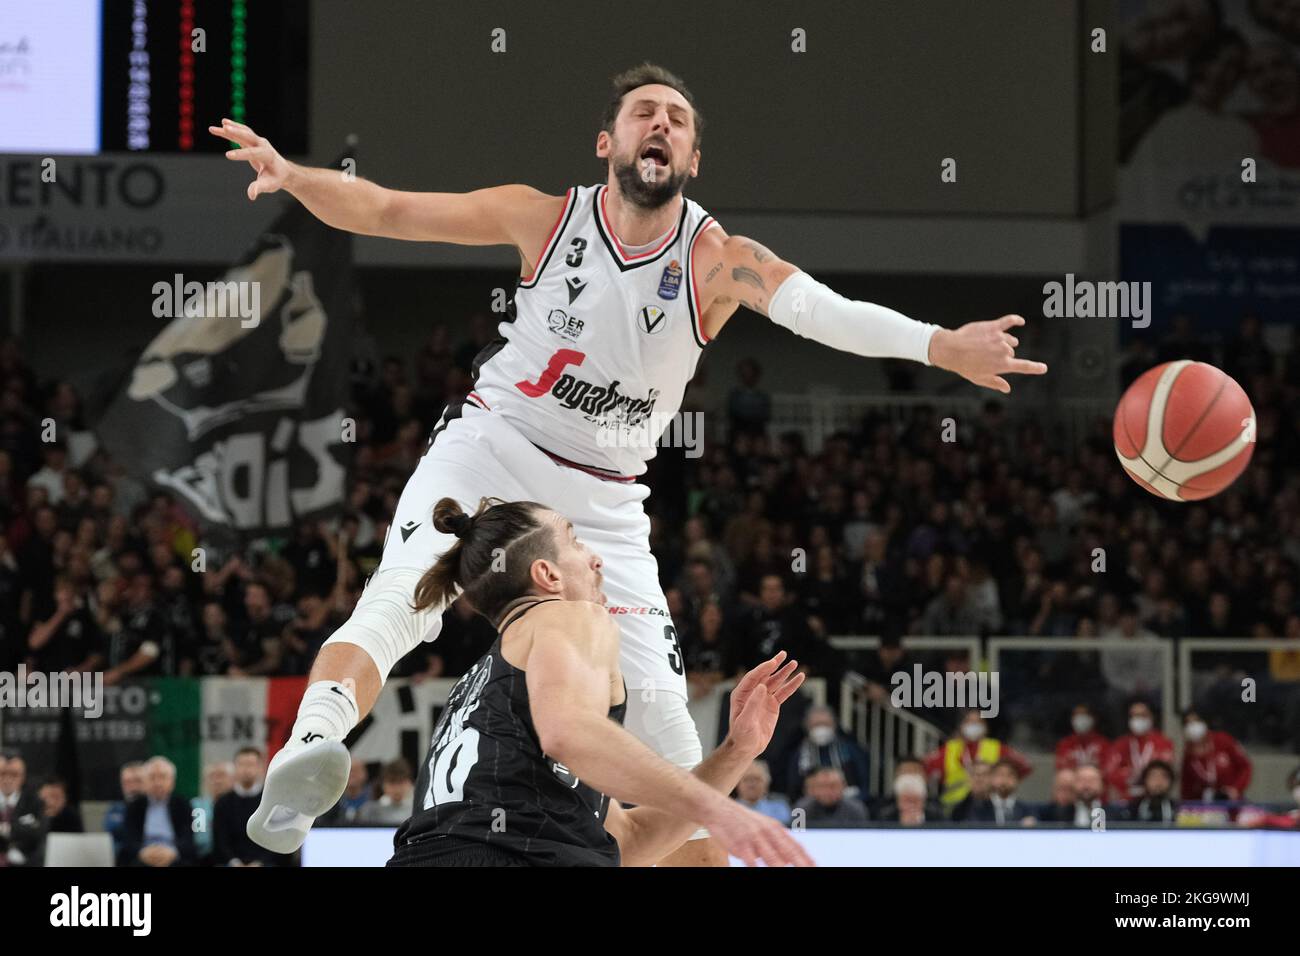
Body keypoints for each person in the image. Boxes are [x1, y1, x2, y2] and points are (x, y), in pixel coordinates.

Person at [218, 62, 1047, 865]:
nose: (661, 123)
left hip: (605, 500)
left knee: (673, 738)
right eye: (645, 111)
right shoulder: (543, 219)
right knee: (402, 592)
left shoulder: (716, 260)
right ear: (605, 141)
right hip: (494, 442)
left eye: (677, 119)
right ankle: (313, 747)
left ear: (692, 161)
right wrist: (293, 176)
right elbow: (390, 207)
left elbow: (823, 313)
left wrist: (939, 344)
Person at [362, 497, 813, 866]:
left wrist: (736, 752)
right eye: (575, 542)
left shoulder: (488, 686)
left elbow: (628, 842)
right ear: (548, 575)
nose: (596, 559)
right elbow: (568, 732)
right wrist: (719, 810)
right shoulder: (566, 615)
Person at [924, 711, 1033, 811]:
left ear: (985, 726)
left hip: (990, 806)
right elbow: (925, 768)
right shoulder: (949, 749)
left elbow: (1025, 765)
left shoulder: (996, 747)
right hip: (953, 807)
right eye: (969, 721)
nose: (973, 725)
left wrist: (1005, 781)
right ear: (961, 726)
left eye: (978, 722)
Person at [213, 748, 291, 866]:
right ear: (235, 768)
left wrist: (259, 863)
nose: (246, 770)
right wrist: (235, 862)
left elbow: (278, 839)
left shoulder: (273, 801)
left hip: (266, 863)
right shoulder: (223, 803)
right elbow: (220, 841)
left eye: (251, 764)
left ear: (261, 768)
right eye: (242, 764)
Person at [119, 756, 197, 867]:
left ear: (172, 781)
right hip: (143, 855)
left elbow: (189, 837)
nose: (157, 783)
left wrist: (173, 852)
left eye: (163, 777)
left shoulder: (184, 804)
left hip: (174, 856)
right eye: (152, 777)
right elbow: (129, 837)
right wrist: (142, 852)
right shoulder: (134, 806)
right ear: (144, 781)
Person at [784, 705, 871, 800]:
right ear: (807, 726)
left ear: (834, 725)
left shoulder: (849, 749)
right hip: (811, 804)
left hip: (848, 802)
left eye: (825, 724)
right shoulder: (800, 753)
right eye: (817, 724)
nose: (821, 729)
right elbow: (793, 787)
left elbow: (864, 781)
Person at [1105, 701, 1175, 801]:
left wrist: (1131, 773)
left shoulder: (1163, 743)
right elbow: (1111, 774)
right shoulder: (1120, 745)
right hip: (1126, 799)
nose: (1138, 719)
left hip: (1156, 798)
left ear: (1151, 717)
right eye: (1134, 716)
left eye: (1143, 715)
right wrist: (1131, 777)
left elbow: (1164, 773)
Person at [1179, 709, 1252, 802]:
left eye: (1196, 721)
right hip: (1207, 805)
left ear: (1204, 723)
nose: (1193, 726)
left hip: (1233, 801)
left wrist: (1236, 788)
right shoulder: (1188, 754)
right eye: (1188, 723)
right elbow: (1186, 786)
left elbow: (1245, 767)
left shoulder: (1223, 740)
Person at [0, 753, 46, 866]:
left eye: (14, 774)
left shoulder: (34, 802)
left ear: (23, 777)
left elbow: (38, 833)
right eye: (2, 773)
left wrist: (6, 828)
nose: (7, 779)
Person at [793, 768, 870, 828]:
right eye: (822, 786)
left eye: (833, 786)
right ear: (811, 789)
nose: (827, 791)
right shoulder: (801, 809)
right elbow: (795, 838)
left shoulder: (856, 809)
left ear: (843, 786)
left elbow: (861, 836)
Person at [103, 761, 144, 860]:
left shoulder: (159, 809)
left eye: (137, 781)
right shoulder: (115, 809)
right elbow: (113, 834)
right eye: (127, 782)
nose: (132, 787)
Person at [1055, 703, 1111, 772]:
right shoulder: (1064, 744)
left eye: (1083, 715)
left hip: (1096, 780)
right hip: (1073, 780)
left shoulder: (1104, 744)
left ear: (1093, 718)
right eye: (1077, 715)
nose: (1080, 719)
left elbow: (1108, 768)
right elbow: (1061, 767)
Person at [733, 760, 791, 826]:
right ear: (737, 784)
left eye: (757, 779)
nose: (751, 784)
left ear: (767, 782)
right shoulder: (727, 810)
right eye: (746, 779)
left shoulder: (780, 808)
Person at [1127, 760, 1179, 824]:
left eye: (1164, 777)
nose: (1158, 781)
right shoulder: (1133, 809)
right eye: (1153, 776)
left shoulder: (1178, 809)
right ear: (1145, 780)